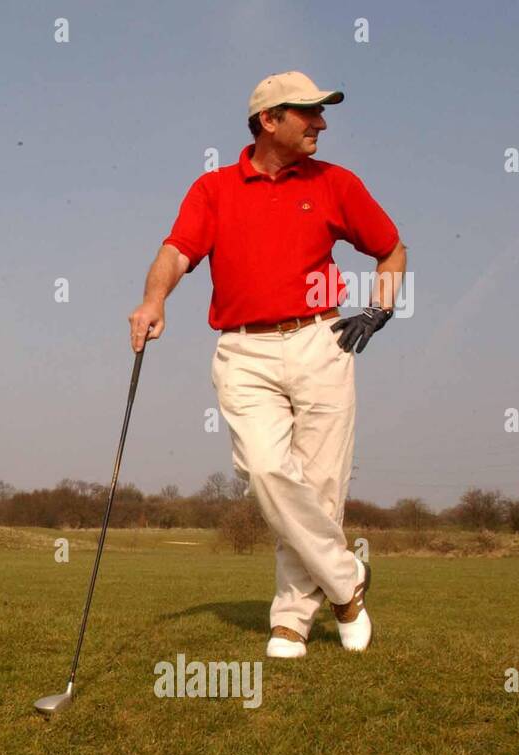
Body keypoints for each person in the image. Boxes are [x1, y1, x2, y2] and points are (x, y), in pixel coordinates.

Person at [128, 71, 407, 658]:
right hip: (244, 349)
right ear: (269, 120)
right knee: (267, 471)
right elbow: (177, 251)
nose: (322, 124)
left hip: (320, 342)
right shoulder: (213, 189)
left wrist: (379, 311)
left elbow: (390, 248)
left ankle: (291, 620)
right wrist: (154, 299)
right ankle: (347, 582)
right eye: (310, 113)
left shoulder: (336, 183)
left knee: (322, 486)